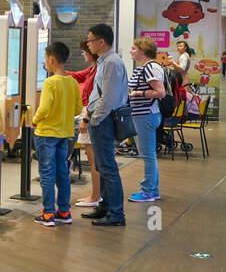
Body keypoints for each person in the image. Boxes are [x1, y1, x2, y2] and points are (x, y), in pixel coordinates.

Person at [31, 42, 83, 227]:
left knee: (46, 173)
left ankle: (48, 214)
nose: (45, 62)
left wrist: (35, 119)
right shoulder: (72, 82)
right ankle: (64, 211)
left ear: (52, 59)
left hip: (46, 133)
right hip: (66, 133)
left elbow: (44, 108)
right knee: (62, 172)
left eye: (46, 58)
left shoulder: (50, 82)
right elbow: (78, 108)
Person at [82, 24, 128, 227]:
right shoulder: (105, 61)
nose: (88, 43)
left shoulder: (111, 62)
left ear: (101, 41)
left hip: (103, 119)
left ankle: (116, 213)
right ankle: (106, 205)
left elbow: (108, 97)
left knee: (108, 167)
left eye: (90, 39)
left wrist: (95, 117)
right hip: (99, 118)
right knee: (101, 165)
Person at [127, 36, 166, 203]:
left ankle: (148, 191)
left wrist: (138, 94)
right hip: (143, 115)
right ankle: (152, 189)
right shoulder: (144, 68)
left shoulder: (150, 68)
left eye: (134, 48)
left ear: (143, 50)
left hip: (146, 115)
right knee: (148, 154)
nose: (131, 51)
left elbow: (160, 92)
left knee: (148, 155)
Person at [65, 39, 101, 208]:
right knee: (93, 158)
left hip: (90, 115)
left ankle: (95, 196)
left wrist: (85, 118)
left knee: (94, 159)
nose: (83, 54)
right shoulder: (93, 68)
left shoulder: (98, 69)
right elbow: (77, 75)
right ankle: (95, 194)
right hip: (89, 114)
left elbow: (97, 98)